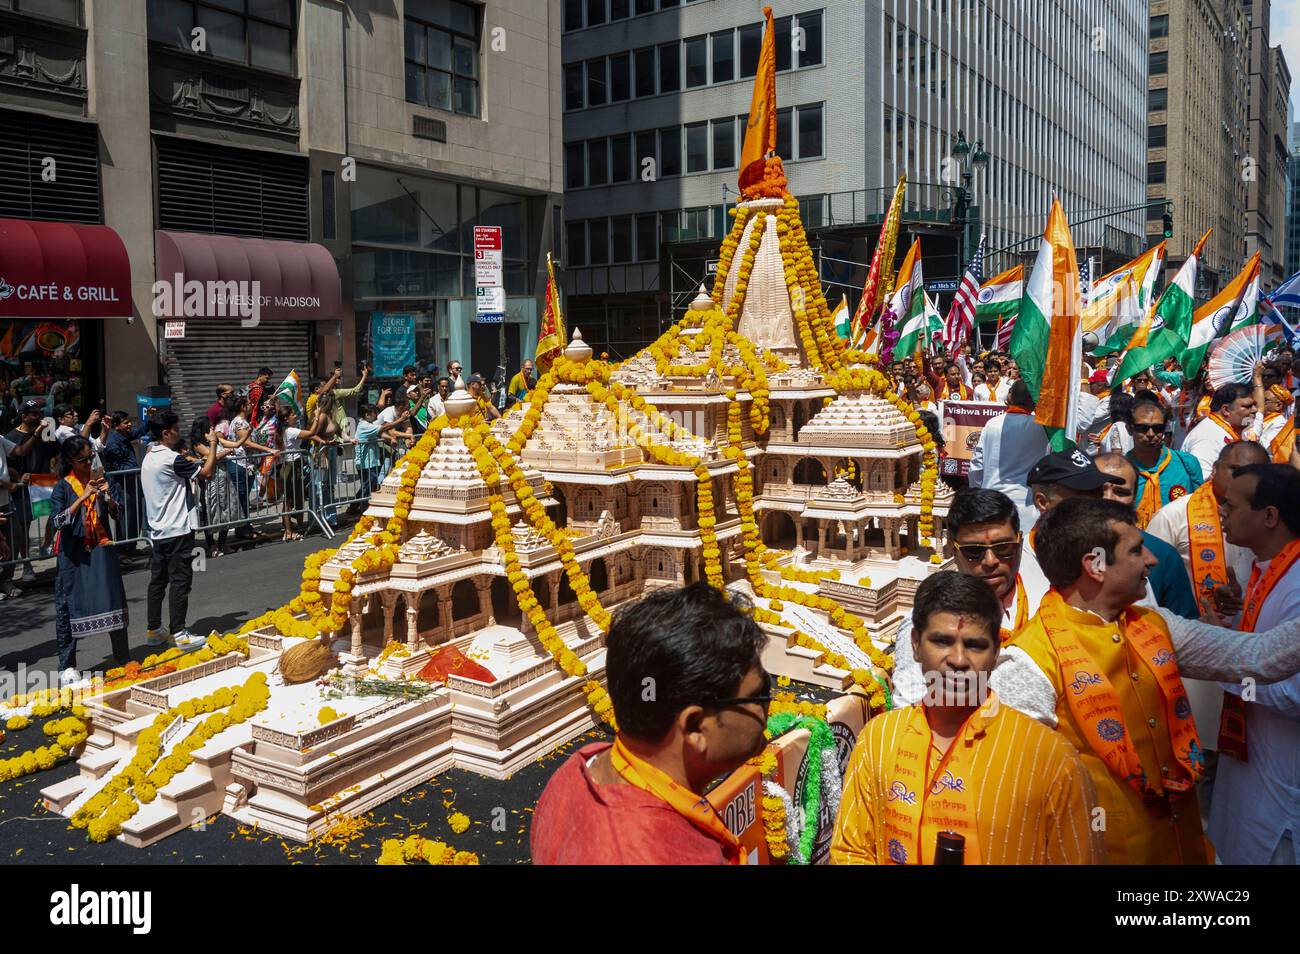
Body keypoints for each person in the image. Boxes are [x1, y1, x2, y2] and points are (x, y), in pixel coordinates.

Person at [832, 572, 1103, 865]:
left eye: (975, 645)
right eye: (942, 641)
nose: (959, 660)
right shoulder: (879, 739)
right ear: (915, 644)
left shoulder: (1051, 760)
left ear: (996, 651)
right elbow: (851, 852)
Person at [531, 583, 767, 864]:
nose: (768, 707)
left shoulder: (577, 771)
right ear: (694, 727)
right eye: (758, 694)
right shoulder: (662, 854)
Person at [1207, 464, 1300, 864]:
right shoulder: (1267, 567)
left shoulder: (1297, 584)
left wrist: (1221, 657)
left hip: (1280, 778)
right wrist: (1232, 628)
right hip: (1250, 769)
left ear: (1270, 516)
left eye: (1230, 504)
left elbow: (1294, 693)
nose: (1221, 513)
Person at [891, 488, 1050, 706]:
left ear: (1020, 544)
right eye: (974, 551)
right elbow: (909, 709)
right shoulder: (929, 620)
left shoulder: (1047, 594)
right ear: (953, 551)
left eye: (1004, 548)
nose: (990, 561)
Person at [49, 437, 129, 686]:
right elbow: (56, 522)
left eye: (90, 457)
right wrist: (81, 499)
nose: (88, 463)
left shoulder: (101, 480)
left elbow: (118, 512)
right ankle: (67, 665)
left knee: (112, 597)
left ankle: (123, 657)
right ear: (71, 461)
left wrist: (108, 498)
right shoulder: (63, 487)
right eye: (82, 460)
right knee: (68, 605)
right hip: (74, 555)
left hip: (102, 550)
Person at [141, 411, 218, 651]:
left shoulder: (150, 456)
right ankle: (179, 632)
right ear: (166, 433)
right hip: (177, 529)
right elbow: (207, 473)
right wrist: (213, 444)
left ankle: (154, 630)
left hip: (157, 530)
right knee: (180, 581)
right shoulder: (170, 459)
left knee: (158, 581)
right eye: (175, 428)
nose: (179, 431)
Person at [1092, 453, 1199, 619]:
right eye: (1099, 490)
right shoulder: (1060, 545)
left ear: (1134, 497)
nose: (1108, 498)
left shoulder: (1163, 556)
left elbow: (1184, 629)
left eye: (1120, 492)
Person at [969, 380, 1050, 531]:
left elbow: (977, 465)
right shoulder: (1042, 428)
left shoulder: (992, 424)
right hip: (1028, 506)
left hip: (993, 501)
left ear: (1010, 396)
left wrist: (978, 492)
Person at [1126, 399, 1202, 527]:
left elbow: (1199, 508)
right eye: (1142, 428)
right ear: (1129, 428)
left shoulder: (1187, 464)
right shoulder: (1122, 469)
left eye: (1158, 428)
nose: (1151, 434)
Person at [188, 417, 245, 558]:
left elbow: (234, 445)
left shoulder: (216, 440)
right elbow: (212, 457)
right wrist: (226, 452)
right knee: (210, 511)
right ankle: (211, 545)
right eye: (210, 427)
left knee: (226, 510)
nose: (213, 429)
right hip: (209, 482)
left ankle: (222, 543)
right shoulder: (198, 444)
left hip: (224, 480)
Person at [273, 402, 326, 542]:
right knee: (289, 500)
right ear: (286, 419)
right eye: (292, 414)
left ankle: (289, 528)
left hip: (288, 465)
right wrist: (316, 417)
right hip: (291, 465)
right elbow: (311, 433)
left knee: (290, 499)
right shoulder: (290, 431)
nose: (295, 416)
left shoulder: (283, 430)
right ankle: (288, 531)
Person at [1182, 382, 1256, 481]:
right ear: (1226, 410)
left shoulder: (1230, 429)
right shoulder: (1207, 436)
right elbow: (1201, 479)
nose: (1255, 410)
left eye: (1254, 405)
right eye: (1247, 406)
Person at [0, 422, 41, 600]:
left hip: (5, 501)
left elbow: (19, 451)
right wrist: (6, 484)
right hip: (6, 492)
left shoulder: (0, 439)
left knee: (14, 537)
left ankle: (5, 579)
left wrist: (37, 434)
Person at [100, 411, 147, 547]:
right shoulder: (113, 443)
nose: (129, 425)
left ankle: (132, 545)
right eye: (126, 422)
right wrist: (131, 471)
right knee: (126, 516)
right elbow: (114, 468)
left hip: (132, 482)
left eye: (129, 421)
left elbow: (141, 431)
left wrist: (149, 417)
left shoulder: (125, 436)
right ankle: (124, 548)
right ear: (116, 425)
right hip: (122, 485)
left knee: (135, 514)